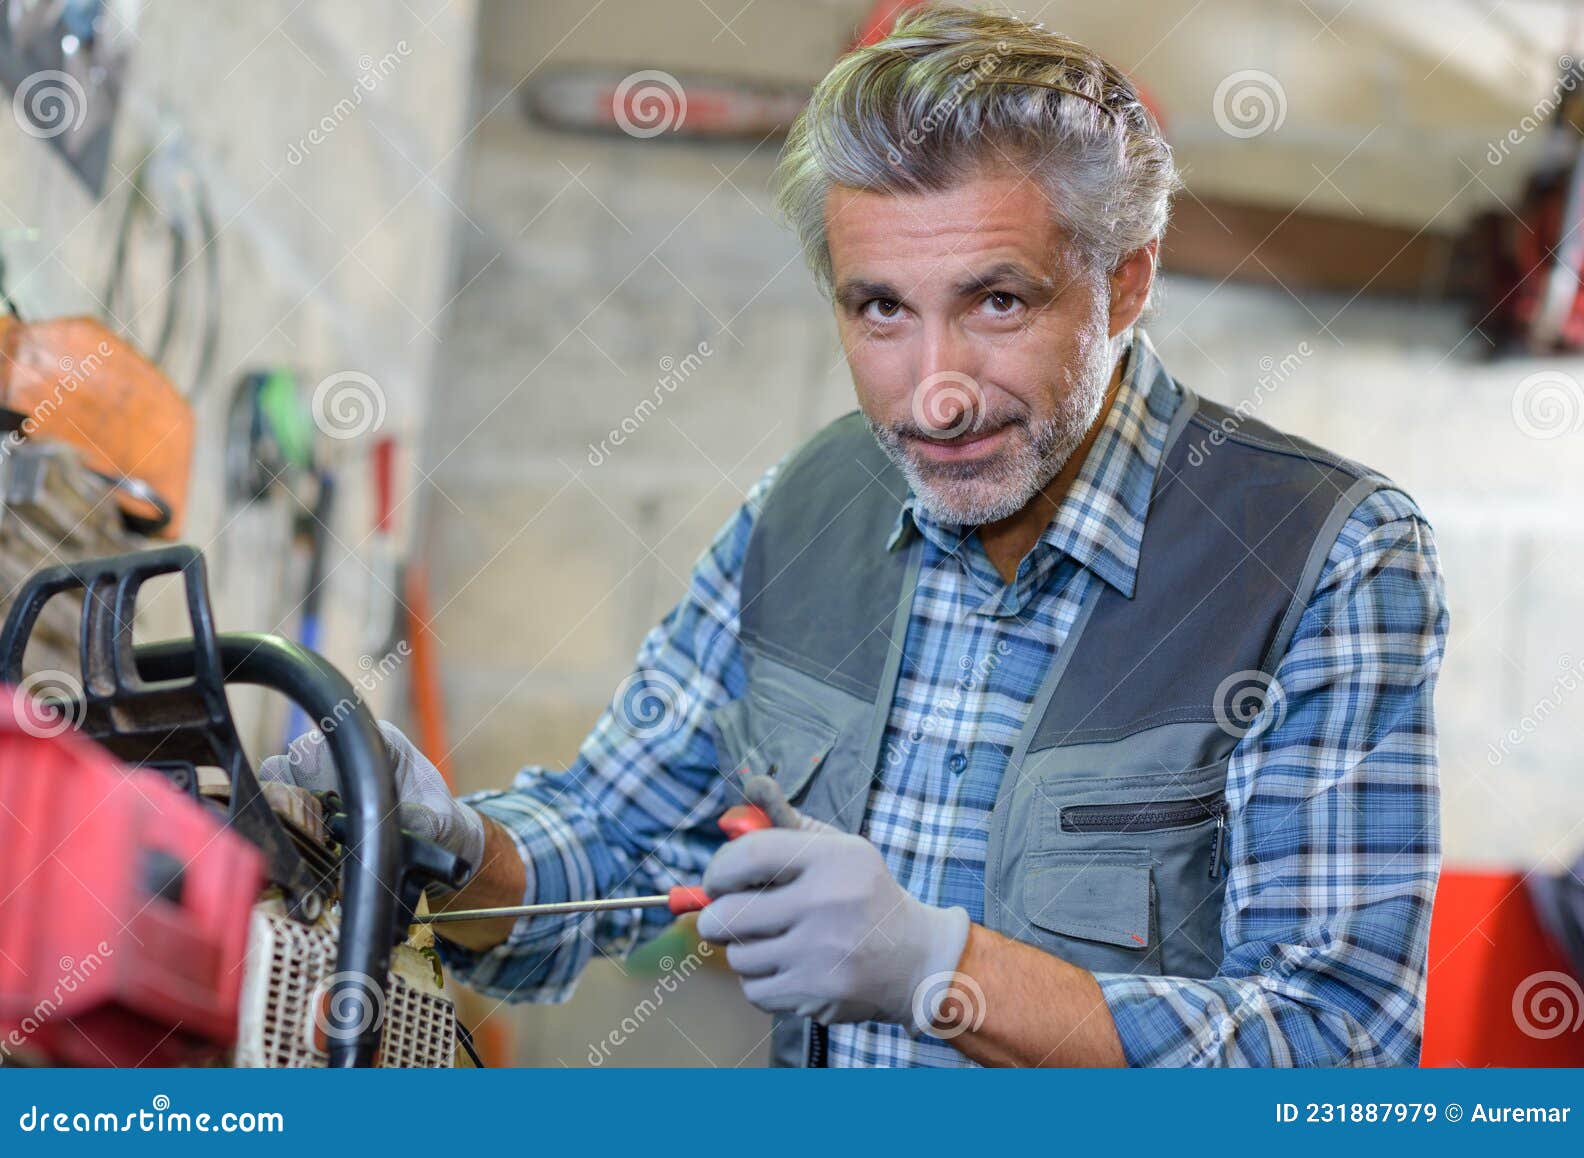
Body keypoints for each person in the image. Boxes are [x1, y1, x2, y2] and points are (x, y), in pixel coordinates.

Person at [265, 6, 1448, 1067]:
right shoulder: (809, 504)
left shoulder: (1322, 559)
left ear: (1125, 284)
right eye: (880, 307)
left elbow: (1335, 1048)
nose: (932, 395)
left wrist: (946, 974)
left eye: (998, 302)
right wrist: (449, 844)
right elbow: (619, 841)